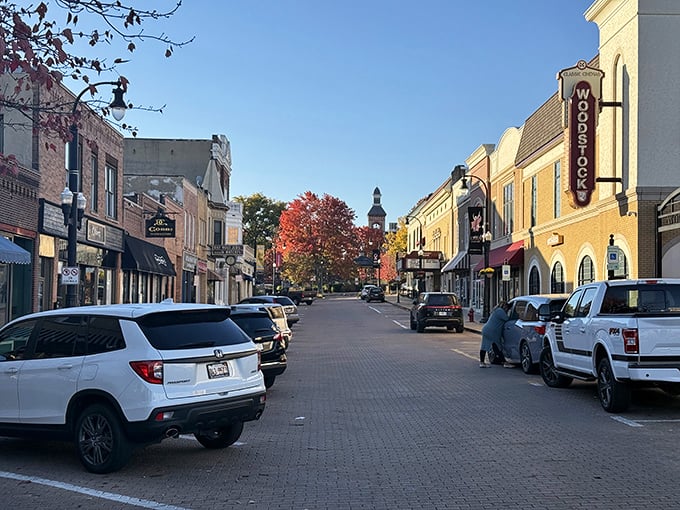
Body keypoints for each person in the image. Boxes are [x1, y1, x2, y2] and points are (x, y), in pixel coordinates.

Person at [479, 301, 511, 367]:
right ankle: (505, 362)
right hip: (492, 332)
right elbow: (507, 319)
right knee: (498, 347)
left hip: (487, 329)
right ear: (504, 306)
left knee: (485, 346)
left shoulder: (496, 311)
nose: (507, 310)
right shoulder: (500, 311)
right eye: (507, 308)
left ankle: (482, 363)